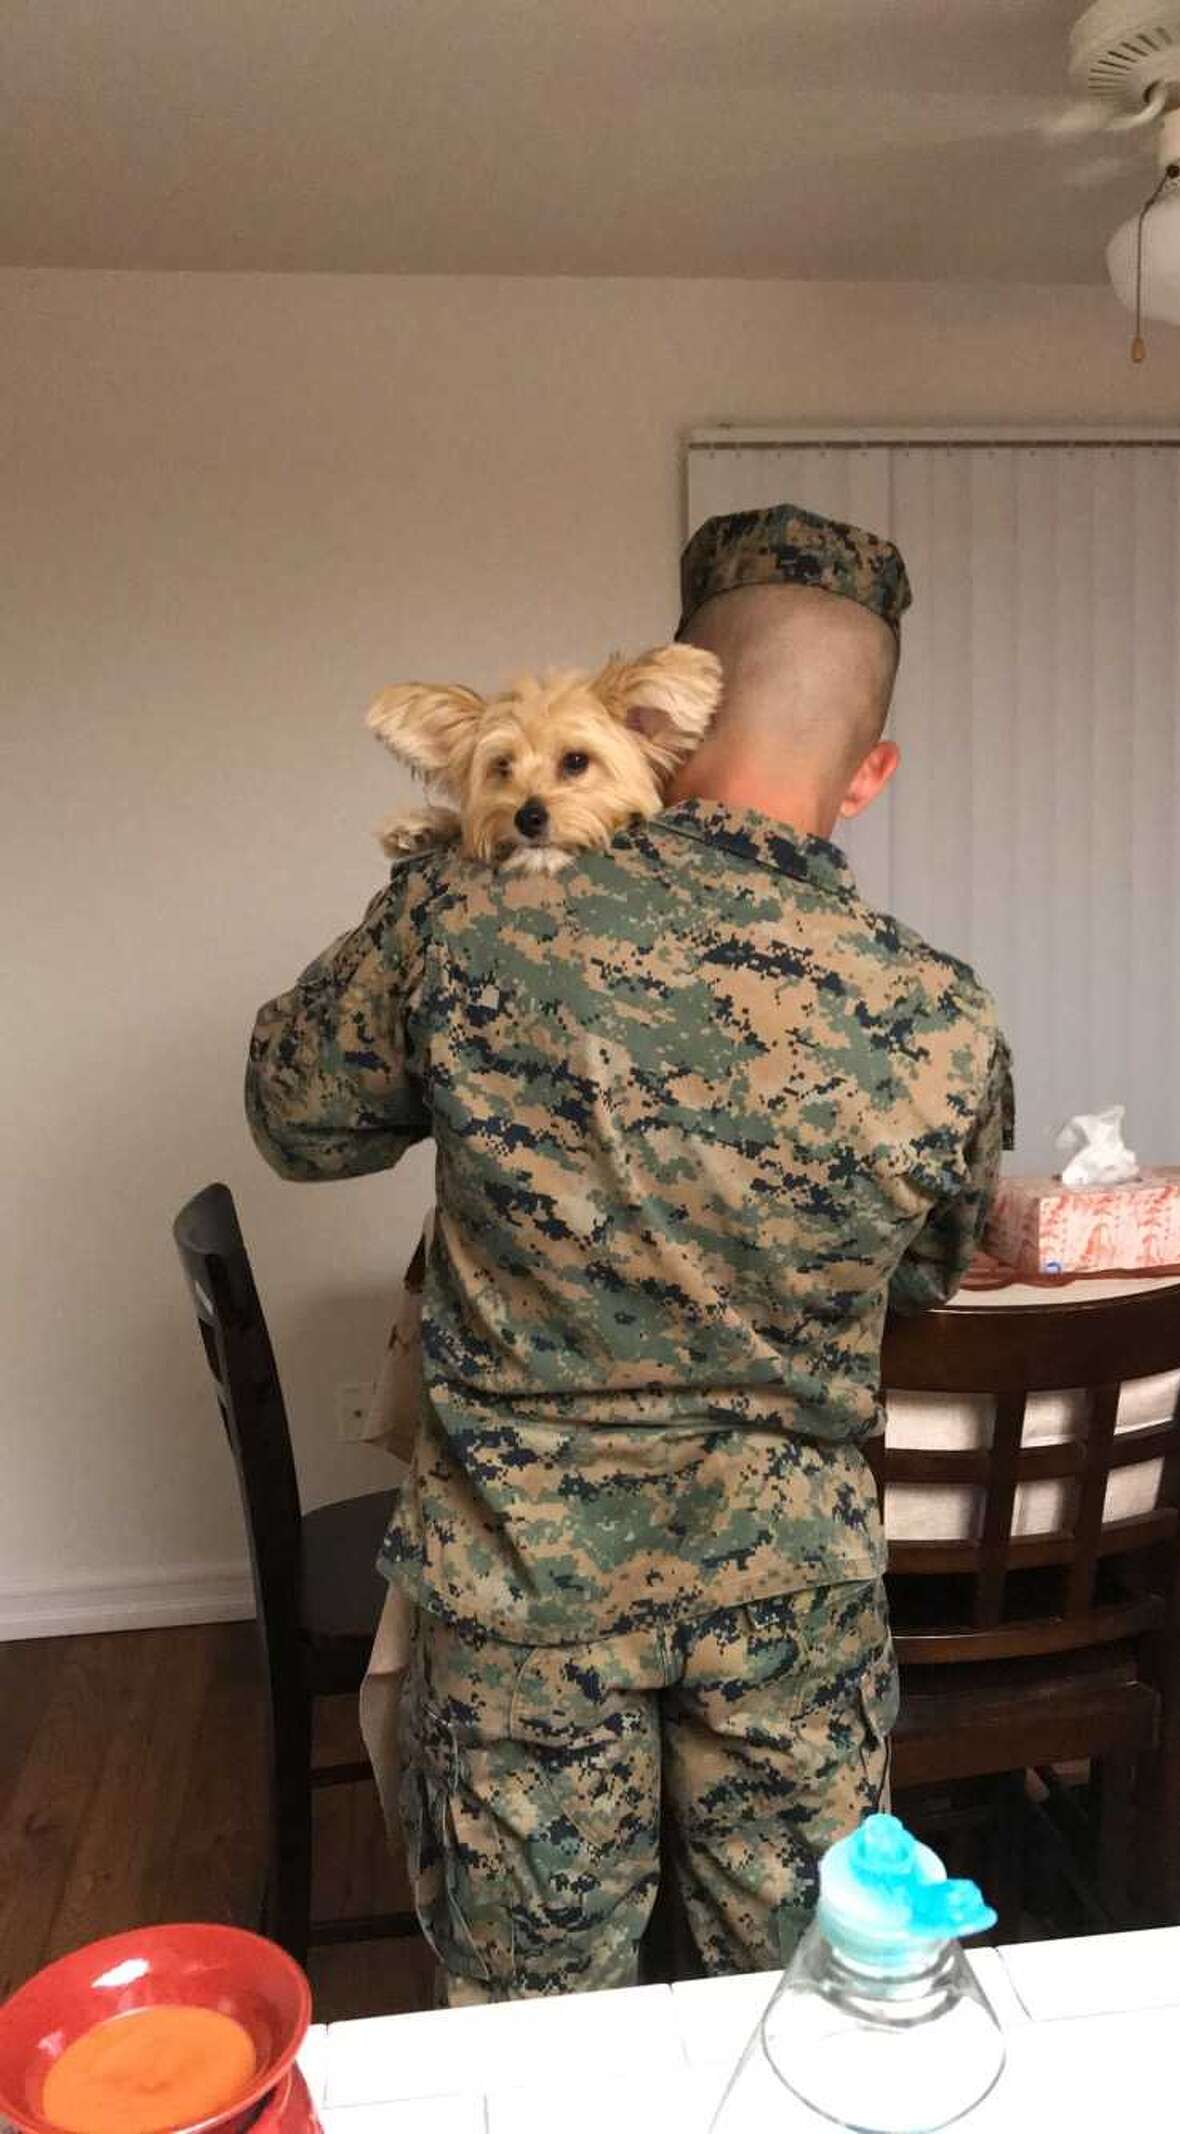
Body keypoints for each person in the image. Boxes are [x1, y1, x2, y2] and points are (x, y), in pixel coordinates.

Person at [245, 504, 1013, 2005]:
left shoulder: (469, 916)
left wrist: (427, 885)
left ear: (671, 720)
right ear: (871, 772)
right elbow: (928, 1274)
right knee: (809, 2011)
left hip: (525, 1603)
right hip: (793, 1612)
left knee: (546, 2050)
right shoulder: (939, 1011)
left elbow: (296, 1115)